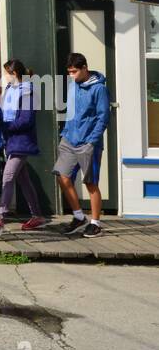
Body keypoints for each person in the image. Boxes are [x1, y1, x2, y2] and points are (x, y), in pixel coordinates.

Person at [0, 59, 45, 241]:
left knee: (8, 177)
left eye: (6, 73)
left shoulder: (28, 93)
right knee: (23, 179)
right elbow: (4, 112)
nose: (4, 77)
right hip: (11, 141)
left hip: (21, 142)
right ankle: (37, 215)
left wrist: (3, 125)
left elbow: (26, 120)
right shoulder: (11, 90)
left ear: (14, 74)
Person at [53, 52, 111, 238]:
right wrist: (66, 132)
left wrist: (92, 141)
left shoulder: (99, 89)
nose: (72, 75)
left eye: (74, 72)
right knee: (62, 176)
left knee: (91, 183)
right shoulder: (72, 85)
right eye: (69, 72)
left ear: (85, 68)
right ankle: (79, 217)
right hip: (69, 140)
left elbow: (103, 117)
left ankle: (95, 223)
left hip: (88, 143)